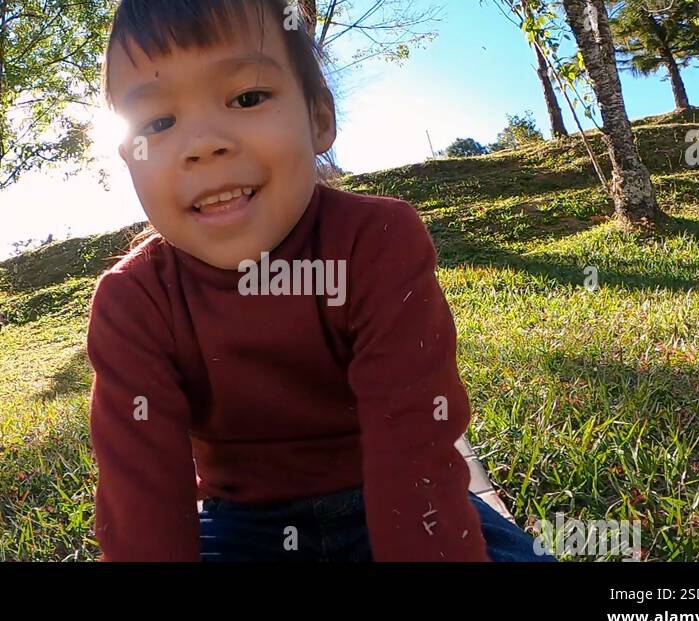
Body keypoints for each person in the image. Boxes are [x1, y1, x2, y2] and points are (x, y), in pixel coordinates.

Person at [87, 0, 552, 562]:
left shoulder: (376, 241)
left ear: (318, 119)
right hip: (241, 528)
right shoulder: (133, 302)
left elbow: (414, 447)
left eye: (247, 97)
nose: (204, 143)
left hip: (399, 502)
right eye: (159, 122)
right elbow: (143, 504)